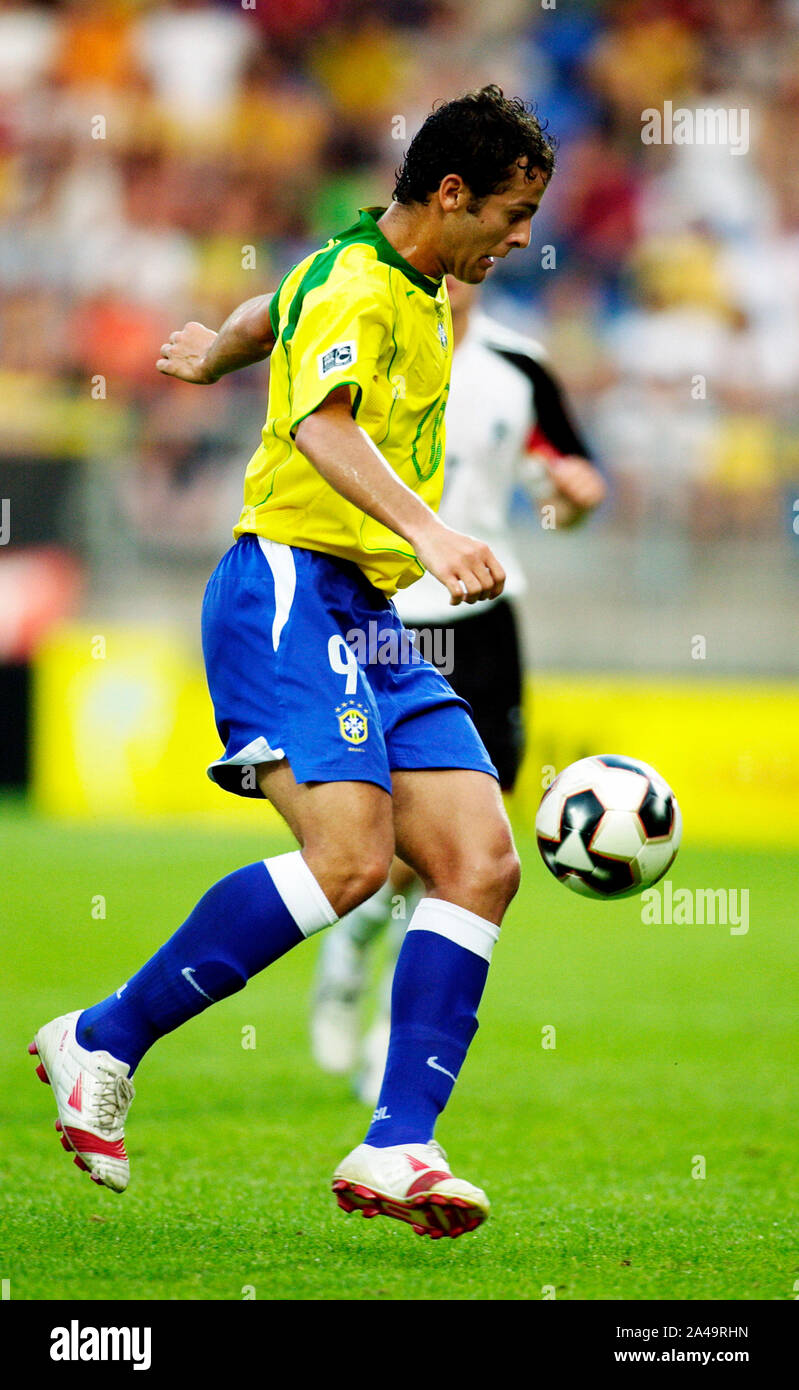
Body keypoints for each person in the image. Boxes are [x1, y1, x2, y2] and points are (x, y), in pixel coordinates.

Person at [29, 87, 556, 1241]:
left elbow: (285, 302)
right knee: (351, 861)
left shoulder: (391, 273)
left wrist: (217, 349)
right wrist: (430, 530)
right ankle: (102, 1039)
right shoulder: (370, 284)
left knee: (476, 860)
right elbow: (321, 421)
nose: (524, 238)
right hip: (287, 586)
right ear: (452, 193)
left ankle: (398, 1142)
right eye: (514, 214)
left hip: (365, 608)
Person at [311, 276, 606, 1102]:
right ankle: (354, 951)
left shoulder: (521, 367)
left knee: (467, 843)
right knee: (400, 835)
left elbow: (563, 486)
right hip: (385, 610)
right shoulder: (372, 346)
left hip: (484, 616)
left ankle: (381, 1025)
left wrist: (576, 500)